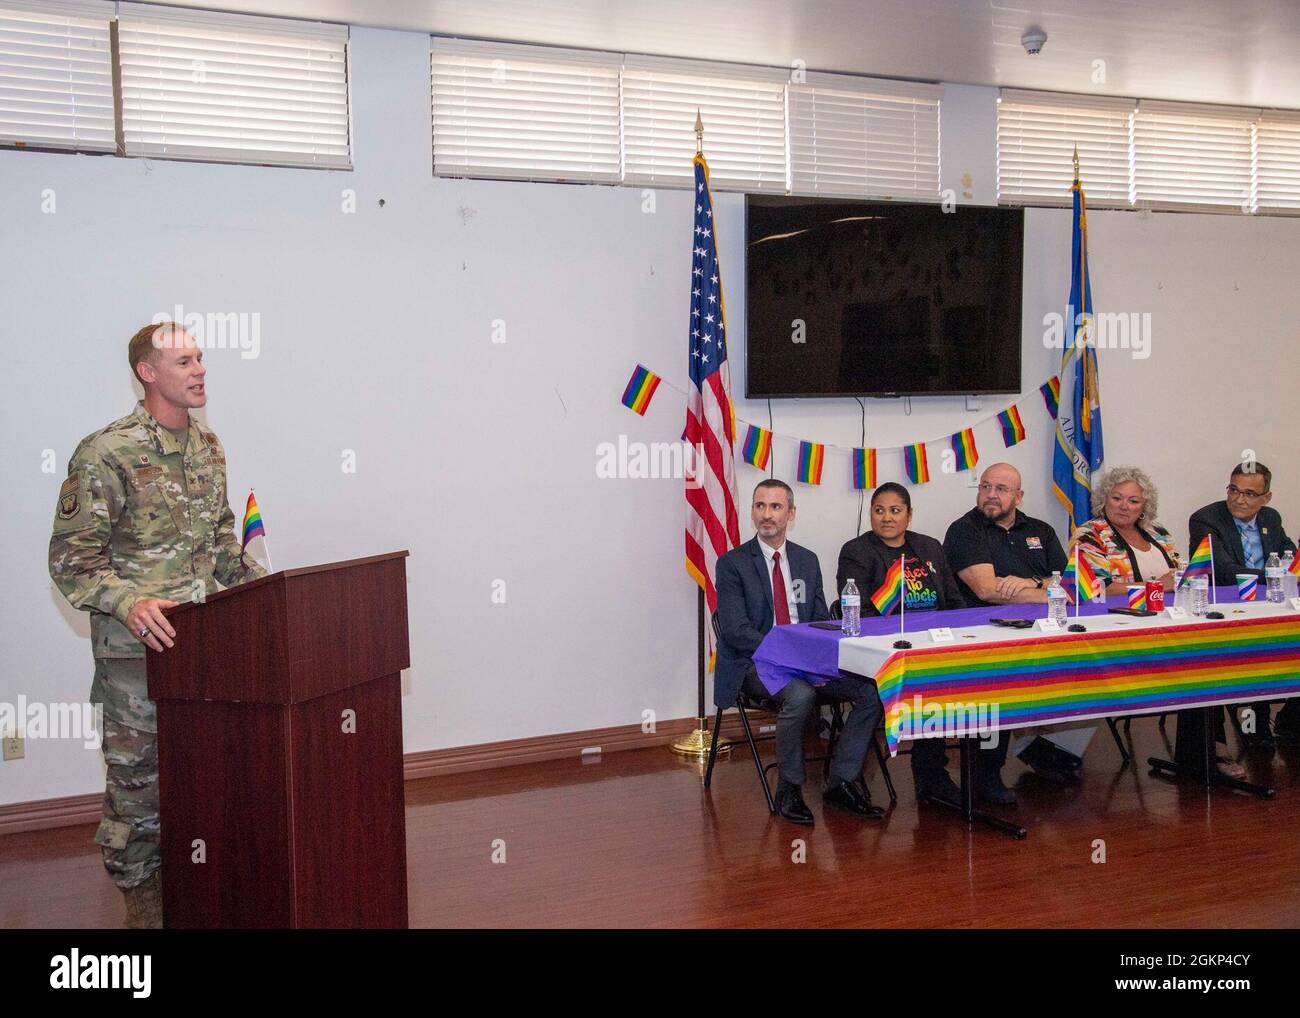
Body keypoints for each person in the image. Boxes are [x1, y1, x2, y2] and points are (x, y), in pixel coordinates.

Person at [49, 321, 265, 928]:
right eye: (182, 362)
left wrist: (271, 593)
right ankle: (143, 908)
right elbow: (72, 561)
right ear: (147, 372)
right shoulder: (106, 452)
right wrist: (129, 601)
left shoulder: (208, 446)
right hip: (135, 663)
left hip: (208, 653)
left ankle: (204, 890)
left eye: (200, 359)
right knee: (139, 793)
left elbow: (223, 547)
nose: (199, 371)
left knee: (206, 779)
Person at [715, 479, 884, 826]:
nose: (767, 514)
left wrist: (818, 658)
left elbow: (820, 620)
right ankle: (789, 787)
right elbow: (736, 631)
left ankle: (841, 780)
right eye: (760, 506)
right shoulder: (732, 564)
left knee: (871, 691)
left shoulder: (806, 560)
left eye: (776, 507)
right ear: (752, 512)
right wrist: (792, 658)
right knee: (801, 695)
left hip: (808, 660)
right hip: (756, 664)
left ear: (791, 514)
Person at [1067, 467, 1242, 779]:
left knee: (1210, 658)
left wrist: (1180, 578)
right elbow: (1095, 588)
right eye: (1117, 497)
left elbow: (1179, 574)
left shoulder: (1159, 533)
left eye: (1133, 500)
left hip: (1171, 624)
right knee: (1196, 663)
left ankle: (1205, 750)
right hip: (1118, 631)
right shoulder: (1089, 535)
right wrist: (1155, 587)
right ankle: (1211, 751)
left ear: (1143, 506)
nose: (1124, 505)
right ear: (1104, 500)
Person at [941, 462, 1068, 804]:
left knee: (1082, 667)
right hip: (984, 633)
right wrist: (1048, 590)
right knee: (1000, 682)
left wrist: (1031, 582)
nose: (991, 495)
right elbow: (986, 589)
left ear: (1019, 496)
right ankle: (986, 772)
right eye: (985, 487)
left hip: (1045, 629)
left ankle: (1047, 748)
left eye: (1001, 489)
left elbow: (1068, 583)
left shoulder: (1040, 530)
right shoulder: (964, 531)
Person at [837, 482, 967, 805]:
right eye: (878, 510)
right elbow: (861, 612)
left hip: (933, 646)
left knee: (952, 678)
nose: (886, 518)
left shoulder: (929, 547)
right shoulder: (856, 552)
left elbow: (952, 599)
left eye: (895, 511)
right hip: (883, 650)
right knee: (911, 683)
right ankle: (844, 781)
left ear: (909, 515)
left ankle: (933, 775)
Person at [1189, 461, 1298, 749]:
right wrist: (1277, 574)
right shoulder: (1206, 519)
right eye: (1234, 490)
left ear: (1266, 498)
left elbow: (1290, 555)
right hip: (1227, 610)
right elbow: (1225, 571)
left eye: (1250, 494)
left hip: (1272, 605)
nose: (1239, 499)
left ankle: (1291, 720)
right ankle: (1249, 727)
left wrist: (1289, 570)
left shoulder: (1271, 517)